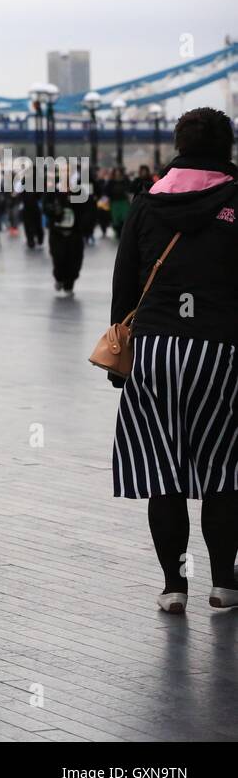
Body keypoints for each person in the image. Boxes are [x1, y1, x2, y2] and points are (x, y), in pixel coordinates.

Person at [109, 107, 238, 613]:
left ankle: (173, 587)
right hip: (221, 350)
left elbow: (126, 284)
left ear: (178, 145)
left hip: (157, 349)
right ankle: (224, 583)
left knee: (165, 473)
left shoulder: (148, 201)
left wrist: (123, 357)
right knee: (224, 470)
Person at [45, 159, 97, 295]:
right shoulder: (53, 189)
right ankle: (59, 278)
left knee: (75, 259)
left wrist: (85, 225)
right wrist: (55, 212)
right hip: (57, 231)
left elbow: (89, 208)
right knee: (58, 257)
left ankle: (70, 283)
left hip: (75, 232)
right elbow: (46, 205)